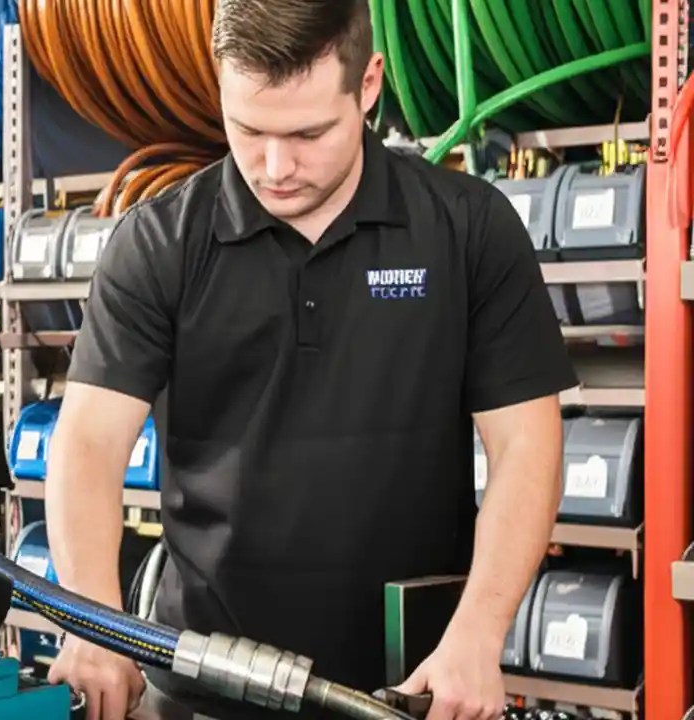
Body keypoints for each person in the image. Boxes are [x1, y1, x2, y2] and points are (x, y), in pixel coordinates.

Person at [41, 1, 577, 719]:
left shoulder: (468, 228)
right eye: (248, 129)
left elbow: (526, 445)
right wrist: (93, 623)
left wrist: (477, 636)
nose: (274, 166)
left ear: (369, 85)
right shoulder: (159, 243)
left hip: (410, 687)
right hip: (204, 682)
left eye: (308, 133)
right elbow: (87, 446)